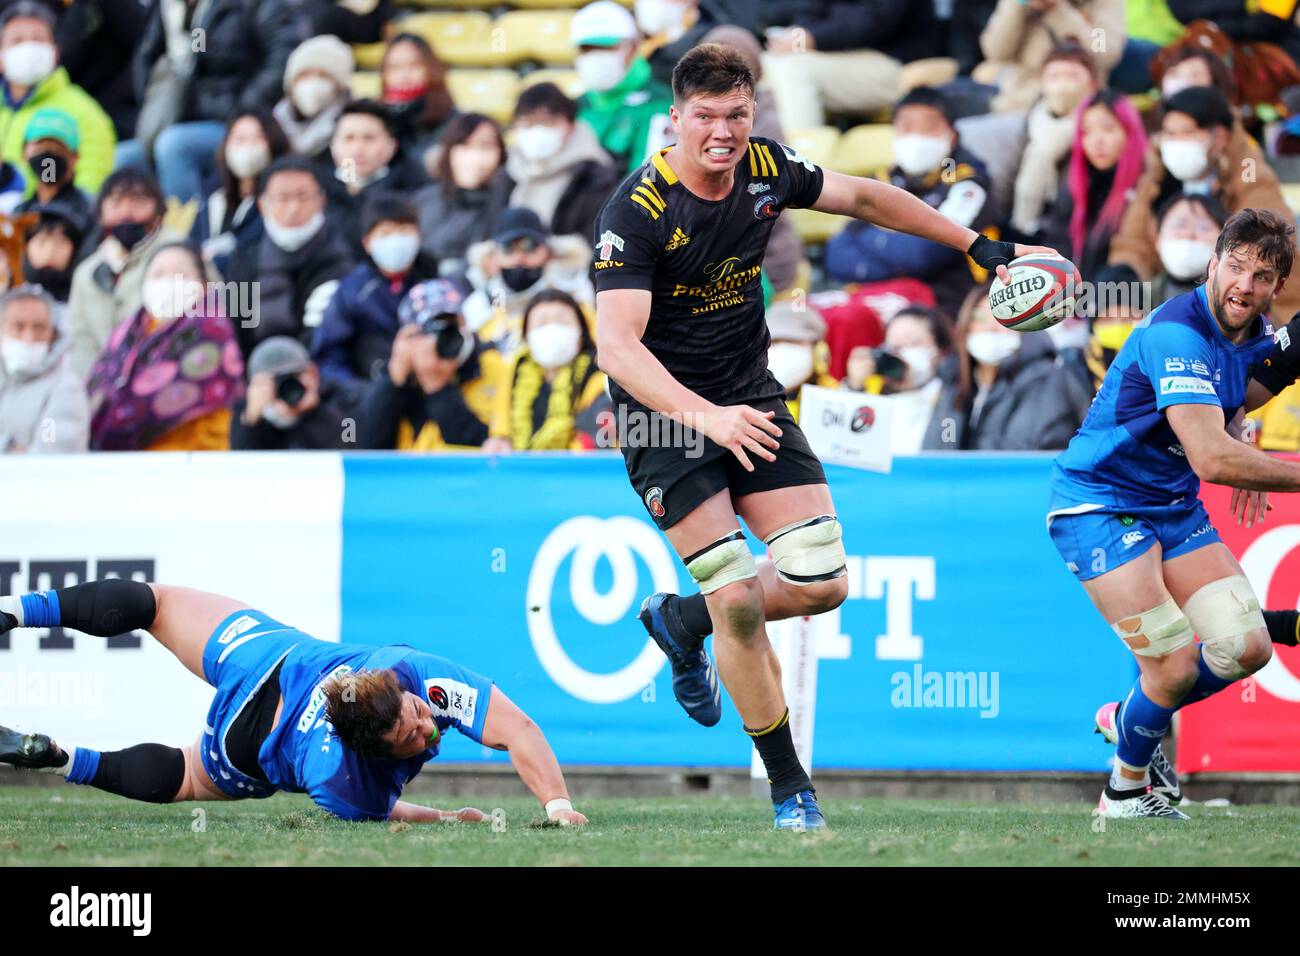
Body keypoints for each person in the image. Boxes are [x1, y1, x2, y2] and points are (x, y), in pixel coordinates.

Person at [592, 43, 1050, 830]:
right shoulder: (636, 211)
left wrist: (975, 246)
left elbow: (868, 199)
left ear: (752, 112)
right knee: (737, 598)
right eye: (705, 116)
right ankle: (790, 788)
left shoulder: (766, 168)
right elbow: (617, 348)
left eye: (737, 114)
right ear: (675, 119)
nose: (724, 132)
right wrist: (707, 418)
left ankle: (679, 621)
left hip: (752, 400)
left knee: (822, 583)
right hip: (665, 420)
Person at [1048, 208, 1296, 818]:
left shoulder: (1253, 334)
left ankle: (1128, 715)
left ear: (1276, 287)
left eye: (1262, 276)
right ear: (1212, 264)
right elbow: (1211, 459)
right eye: (1235, 267)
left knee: (1246, 647)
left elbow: (1245, 391)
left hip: (1171, 506)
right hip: (1097, 504)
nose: (1245, 284)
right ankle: (1123, 794)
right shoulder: (1175, 332)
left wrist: (1245, 424)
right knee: (1176, 664)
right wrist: (1236, 447)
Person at [0, 577, 587, 826]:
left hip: (270, 661)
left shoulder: (410, 679)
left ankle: (19, 611)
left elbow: (519, 729)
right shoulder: (343, 783)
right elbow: (390, 812)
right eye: (413, 734)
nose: (429, 728)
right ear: (370, 749)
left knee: (155, 604)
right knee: (184, 781)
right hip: (247, 751)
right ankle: (64, 759)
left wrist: (556, 806)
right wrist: (451, 817)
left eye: (418, 719)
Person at [1108, 86, 1300, 320]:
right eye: (1170, 133)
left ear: (1217, 138)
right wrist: (1124, 294)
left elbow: (1271, 248)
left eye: (1188, 133)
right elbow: (1132, 245)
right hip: (1161, 300)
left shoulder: (1250, 177)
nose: (1176, 143)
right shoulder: (1155, 180)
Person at [824, 86, 997, 318]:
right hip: (889, 293)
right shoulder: (883, 179)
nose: (915, 136)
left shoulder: (968, 183)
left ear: (952, 135)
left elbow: (924, 255)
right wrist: (903, 252)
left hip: (950, 304)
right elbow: (837, 255)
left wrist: (873, 232)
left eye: (928, 128)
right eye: (906, 127)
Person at [126, 0, 307, 201]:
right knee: (125, 158)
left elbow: (281, 59)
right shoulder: (179, 11)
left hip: (236, 123)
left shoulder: (254, 5)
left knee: (173, 146)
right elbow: (160, 59)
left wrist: (242, 111)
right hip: (182, 118)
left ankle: (192, 225)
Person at [86, 241, 244, 451]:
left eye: (181, 274)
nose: (169, 282)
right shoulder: (124, 334)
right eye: (158, 274)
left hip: (191, 458)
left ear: (205, 285)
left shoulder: (212, 330)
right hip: (120, 465)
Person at [921, 282, 1089, 450]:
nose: (991, 327)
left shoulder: (1046, 380)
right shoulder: (953, 386)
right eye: (979, 317)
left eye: (1004, 316)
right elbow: (935, 453)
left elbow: (1027, 451)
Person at [311, 193, 439, 406]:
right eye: (386, 233)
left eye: (404, 231)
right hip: (372, 401)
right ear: (367, 242)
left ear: (419, 236)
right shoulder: (352, 292)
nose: (396, 241)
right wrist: (367, 395)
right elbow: (328, 358)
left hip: (432, 393)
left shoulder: (436, 284)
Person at [355, 278, 508, 451]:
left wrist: (438, 387)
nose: (442, 338)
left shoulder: (494, 365)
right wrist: (393, 380)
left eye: (451, 326)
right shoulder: (404, 375)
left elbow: (482, 445)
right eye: (432, 330)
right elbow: (362, 442)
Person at [224, 156, 354, 359]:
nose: (293, 209)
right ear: (262, 205)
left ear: (322, 200)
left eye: (303, 197)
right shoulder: (245, 258)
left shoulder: (343, 256)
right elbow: (234, 326)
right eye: (282, 198)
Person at [761, 0, 948, 134]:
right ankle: (759, 167)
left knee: (793, 68)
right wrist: (796, 35)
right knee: (766, 63)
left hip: (895, 61)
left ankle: (803, 171)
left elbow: (874, 23)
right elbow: (809, 11)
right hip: (840, 55)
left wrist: (811, 38)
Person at [66, 168, 180, 380]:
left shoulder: (180, 254)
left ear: (159, 210)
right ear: (101, 213)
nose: (127, 213)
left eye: (137, 202)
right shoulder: (86, 272)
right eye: (117, 203)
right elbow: (81, 341)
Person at [0, 2, 115, 197]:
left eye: (38, 39)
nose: (28, 48)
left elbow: (88, 190)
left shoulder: (83, 112)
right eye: (17, 41)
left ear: (55, 52)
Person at [1033, 89, 1148, 280]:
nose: (1097, 141)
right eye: (1086, 131)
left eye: (1108, 129)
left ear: (1130, 132)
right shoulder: (1073, 190)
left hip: (1124, 300)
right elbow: (1057, 250)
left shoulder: (1149, 188)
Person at [485, 288, 608, 452]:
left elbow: (592, 439)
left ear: (581, 332)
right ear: (527, 335)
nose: (552, 330)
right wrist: (500, 440)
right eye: (541, 323)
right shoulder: (516, 368)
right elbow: (501, 428)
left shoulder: (599, 374)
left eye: (562, 321)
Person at [462, 206, 594, 356]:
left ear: (550, 252)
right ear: (491, 259)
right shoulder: (480, 305)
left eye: (530, 246)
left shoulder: (574, 293)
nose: (519, 258)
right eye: (508, 248)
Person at [506, 82, 621, 244]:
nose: (537, 132)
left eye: (548, 123)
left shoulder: (597, 177)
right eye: (528, 123)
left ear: (571, 124)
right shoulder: (507, 173)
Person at [1009, 41, 1099, 242]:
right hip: (1032, 228)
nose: (1062, 85)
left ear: (1092, 83)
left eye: (1073, 76)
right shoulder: (1032, 122)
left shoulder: (1102, 126)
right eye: (1054, 76)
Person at [572, 1, 674, 172]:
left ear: (632, 47)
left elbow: (649, 177)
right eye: (587, 49)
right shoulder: (576, 105)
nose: (596, 56)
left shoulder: (659, 102)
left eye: (607, 47)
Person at [975, 0, 1125, 113]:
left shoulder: (1102, 4)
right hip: (1018, 98)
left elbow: (1104, 52)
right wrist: (1018, 5)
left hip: (1075, 105)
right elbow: (996, 52)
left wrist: (1058, 10)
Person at [321, 100, 429, 255]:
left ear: (392, 145)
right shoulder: (315, 189)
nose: (358, 149)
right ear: (333, 145)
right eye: (349, 138)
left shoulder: (414, 191)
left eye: (369, 138)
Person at [190, 109, 289, 275]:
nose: (248, 147)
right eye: (240, 139)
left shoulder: (282, 197)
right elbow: (191, 245)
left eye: (259, 138)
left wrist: (214, 263)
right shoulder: (211, 196)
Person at [413, 113, 511, 277]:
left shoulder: (509, 199)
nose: (475, 156)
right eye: (465, 145)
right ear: (449, 151)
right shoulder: (424, 201)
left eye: (486, 146)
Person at [0, 283, 87, 453]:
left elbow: (51, 450)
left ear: (53, 335)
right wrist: (15, 447)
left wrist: (6, 446)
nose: (29, 337)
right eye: (18, 326)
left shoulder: (64, 389)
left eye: (39, 328)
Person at [231, 335, 351, 451]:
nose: (284, 387)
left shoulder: (337, 402)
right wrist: (251, 419)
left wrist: (308, 414)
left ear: (313, 373)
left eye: (293, 376)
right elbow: (240, 465)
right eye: (275, 381)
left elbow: (342, 458)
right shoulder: (246, 415)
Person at [273, 34, 355, 163]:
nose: (312, 83)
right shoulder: (272, 127)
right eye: (304, 75)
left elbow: (350, 176)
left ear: (339, 86)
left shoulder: (354, 128)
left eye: (323, 76)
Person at [378, 33, 456, 161]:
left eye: (415, 66)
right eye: (394, 68)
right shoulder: (375, 121)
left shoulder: (453, 123)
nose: (404, 75)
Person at [13, 108, 95, 228]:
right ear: (24, 153)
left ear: (74, 156)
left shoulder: (90, 210)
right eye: (39, 148)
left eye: (56, 149)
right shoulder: (20, 212)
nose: (47, 158)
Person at [1150, 191, 1227, 307]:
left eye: (1204, 228)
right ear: (1158, 240)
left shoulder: (1231, 300)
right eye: (1179, 225)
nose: (1189, 234)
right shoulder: (1137, 301)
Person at [764, 300, 836, 421]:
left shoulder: (835, 397)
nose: (783, 350)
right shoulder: (742, 398)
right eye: (775, 342)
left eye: (792, 341)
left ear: (818, 351)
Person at [22, 203, 92, 302]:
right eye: (42, 242)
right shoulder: (8, 291)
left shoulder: (85, 296)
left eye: (60, 243)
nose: (50, 252)